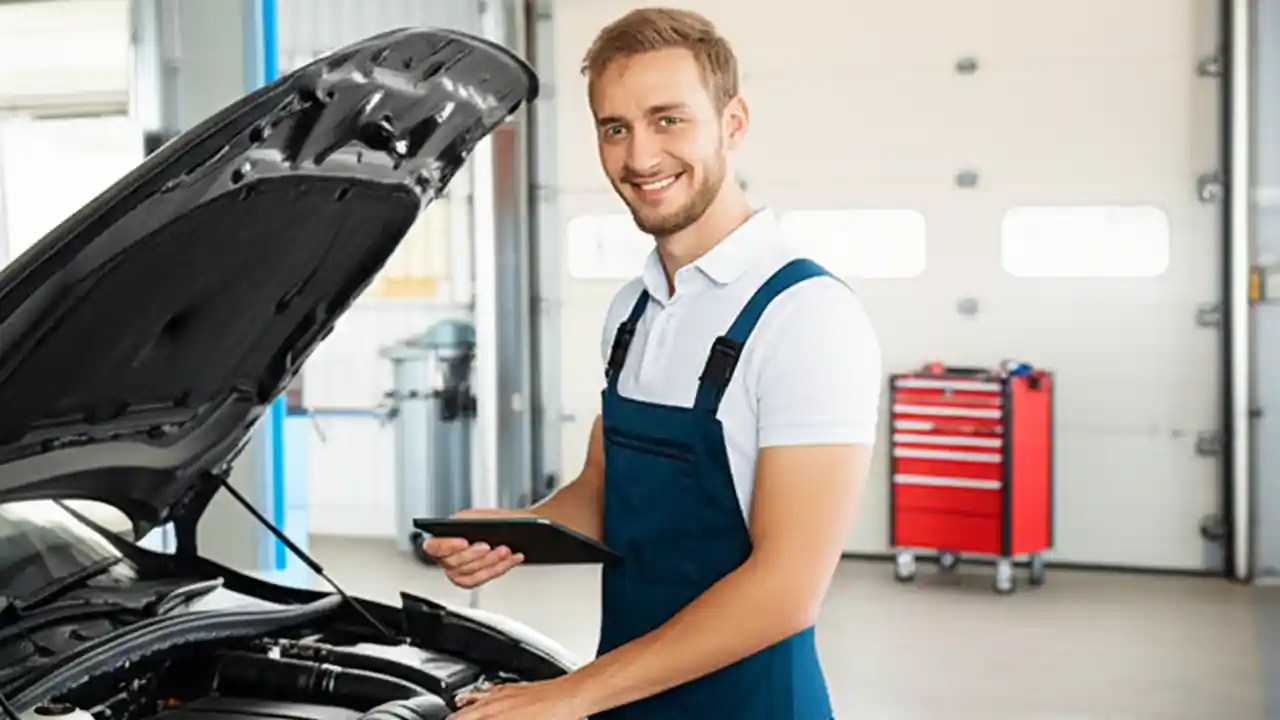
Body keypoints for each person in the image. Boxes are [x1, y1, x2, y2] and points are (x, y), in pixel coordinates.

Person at [429, 7, 881, 719]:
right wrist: (514, 532)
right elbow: (606, 491)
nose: (640, 157)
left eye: (668, 120)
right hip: (629, 695)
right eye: (615, 128)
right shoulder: (631, 312)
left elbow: (787, 588)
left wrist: (570, 694)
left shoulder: (808, 317)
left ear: (732, 123)